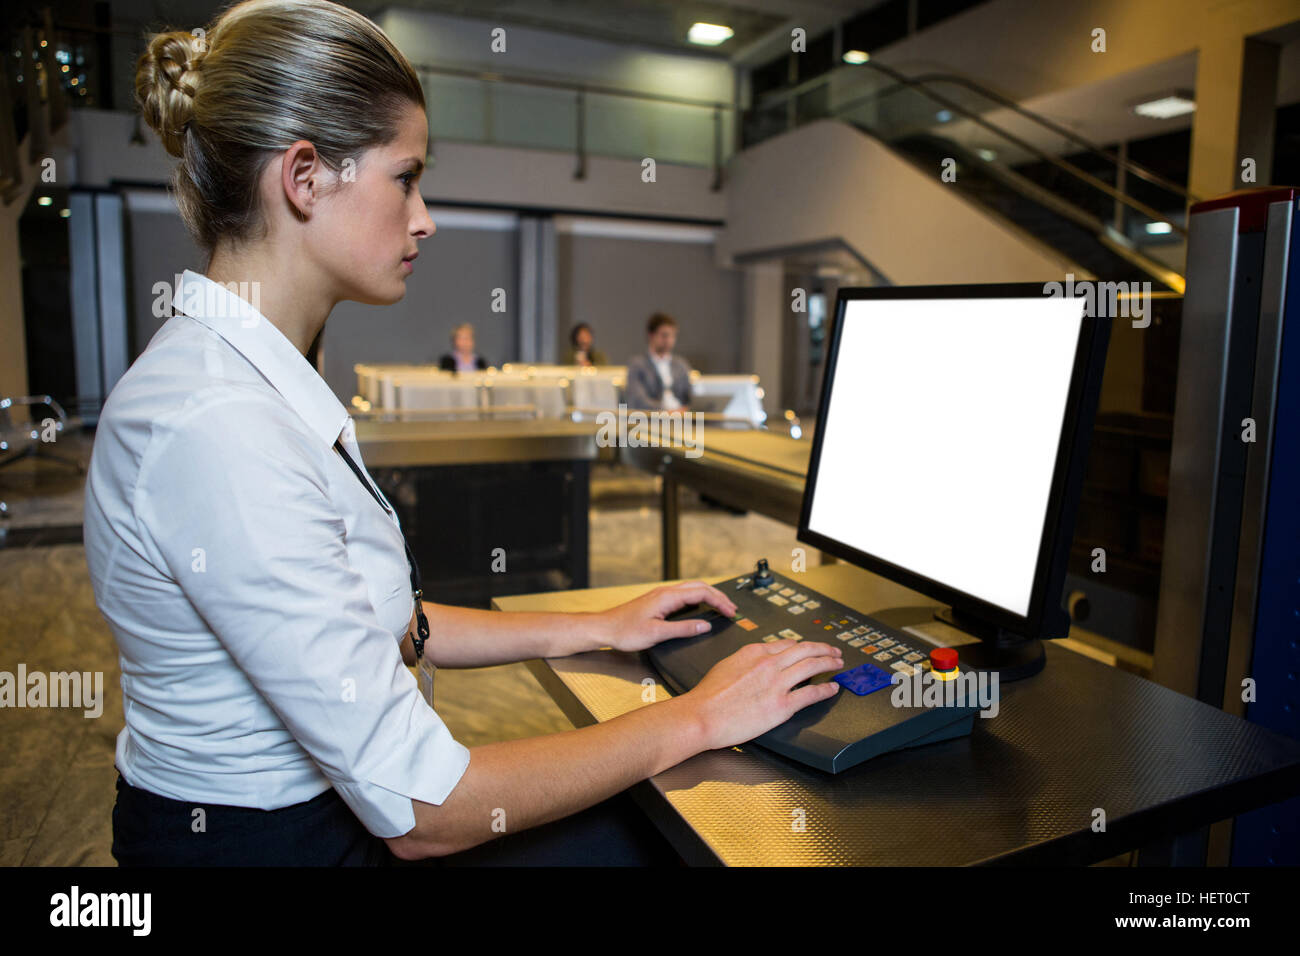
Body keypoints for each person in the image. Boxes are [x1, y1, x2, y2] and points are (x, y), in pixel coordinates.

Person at [84, 0, 841, 867]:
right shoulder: (217, 421)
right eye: (405, 178)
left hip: (307, 825)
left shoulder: (251, 380)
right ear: (303, 177)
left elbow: (385, 625)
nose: (425, 217)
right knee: (664, 834)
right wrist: (702, 713)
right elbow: (422, 808)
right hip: (274, 848)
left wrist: (594, 626)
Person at [625, 312, 692, 410]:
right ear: (651, 335)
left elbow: (690, 397)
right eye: (664, 335)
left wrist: (686, 409)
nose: (669, 340)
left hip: (681, 418)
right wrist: (666, 412)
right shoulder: (638, 365)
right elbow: (638, 400)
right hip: (653, 419)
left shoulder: (681, 365)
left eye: (673, 336)